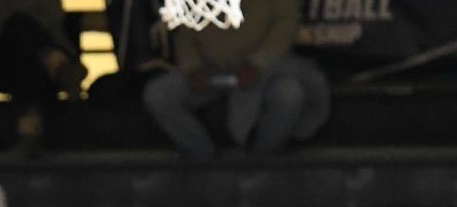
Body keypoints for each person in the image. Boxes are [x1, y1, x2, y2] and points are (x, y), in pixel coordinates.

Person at [140, 0, 328, 159]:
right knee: (159, 93)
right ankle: (203, 156)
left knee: (289, 94)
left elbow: (286, 26)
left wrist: (257, 64)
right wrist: (192, 68)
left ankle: (261, 159)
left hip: (268, 70)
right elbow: (184, 31)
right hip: (211, 70)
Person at [0, 0, 84, 156]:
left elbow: (56, 27)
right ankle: (56, 64)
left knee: (29, 59)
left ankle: (29, 131)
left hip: (34, 63)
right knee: (19, 25)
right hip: (2, 64)